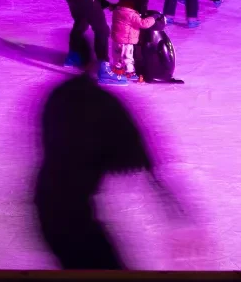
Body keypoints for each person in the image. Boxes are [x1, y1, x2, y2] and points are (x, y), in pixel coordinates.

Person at [35, 36, 184, 269]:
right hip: (71, 214)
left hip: (45, 203)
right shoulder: (102, 103)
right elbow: (137, 151)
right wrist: (171, 204)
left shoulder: (56, 96)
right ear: (94, 63)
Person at [61, 0, 140, 82]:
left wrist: (108, 5)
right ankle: (104, 70)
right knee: (102, 30)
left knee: (82, 21)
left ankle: (73, 56)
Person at [110, 0, 157, 82]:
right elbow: (143, 24)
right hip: (126, 41)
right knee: (128, 58)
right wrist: (153, 18)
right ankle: (129, 73)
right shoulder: (131, 14)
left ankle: (117, 70)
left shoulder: (117, 10)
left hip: (116, 39)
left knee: (117, 57)